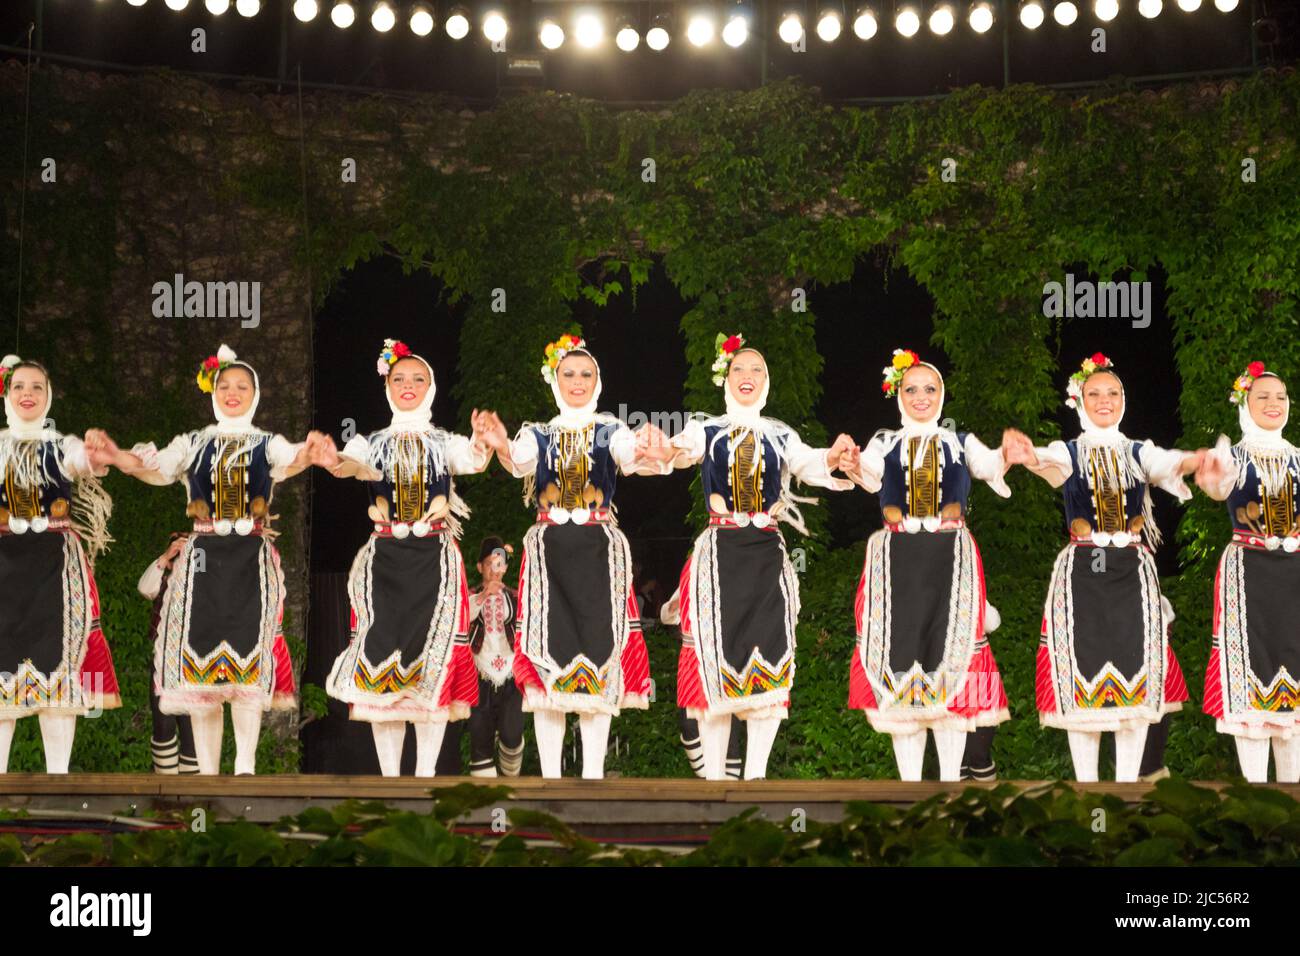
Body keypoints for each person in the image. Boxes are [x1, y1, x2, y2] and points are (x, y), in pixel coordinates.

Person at [105, 344, 318, 775]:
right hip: (202, 561)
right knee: (203, 676)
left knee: (246, 668)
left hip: (250, 561)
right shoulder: (194, 442)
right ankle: (206, 775)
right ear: (213, 392)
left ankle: (244, 769)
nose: (232, 392)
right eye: (225, 385)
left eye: (242, 386)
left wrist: (312, 453)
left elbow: (291, 458)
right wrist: (118, 457)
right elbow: (158, 467)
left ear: (255, 395)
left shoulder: (265, 443)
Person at [477, 333, 675, 779]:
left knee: (598, 657)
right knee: (549, 662)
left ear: (598, 381)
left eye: (586, 373)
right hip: (549, 557)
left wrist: (646, 446)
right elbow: (519, 459)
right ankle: (549, 779)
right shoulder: (538, 432)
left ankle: (592, 776)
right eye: (569, 373)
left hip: (598, 555)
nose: (578, 381)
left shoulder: (610, 430)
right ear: (555, 380)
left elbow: (629, 453)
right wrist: (500, 441)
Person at [665, 334, 856, 780]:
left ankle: (755, 781)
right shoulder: (705, 428)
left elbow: (809, 463)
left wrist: (833, 455)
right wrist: (665, 449)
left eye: (756, 371)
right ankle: (714, 782)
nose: (747, 377)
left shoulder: (779, 433)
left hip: (766, 557)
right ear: (725, 379)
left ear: (766, 382)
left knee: (769, 659)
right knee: (713, 662)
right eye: (739, 369)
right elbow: (682, 450)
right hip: (719, 555)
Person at [1002, 353, 1201, 782]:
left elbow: (1165, 464)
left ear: (1123, 401)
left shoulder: (1137, 451)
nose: (1105, 400)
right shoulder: (1068, 452)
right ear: (1079, 400)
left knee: (1135, 672)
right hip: (1083, 574)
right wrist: (1025, 454)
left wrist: (1191, 461)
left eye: (1113, 393)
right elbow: (1045, 461)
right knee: (1083, 673)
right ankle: (1087, 790)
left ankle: (1128, 790)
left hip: (1131, 571)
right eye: (1095, 393)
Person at [312, 340, 488, 777]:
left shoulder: (444, 441)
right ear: (387, 386)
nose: (408, 385)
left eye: (418, 379)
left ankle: (425, 778)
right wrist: (332, 460)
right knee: (384, 673)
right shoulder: (370, 442)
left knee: (431, 667)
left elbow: (473, 459)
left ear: (431, 387)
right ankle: (391, 782)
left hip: (435, 564)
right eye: (399, 379)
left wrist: (485, 442)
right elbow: (349, 465)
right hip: (386, 565)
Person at [840, 350, 1011, 781]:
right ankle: (910, 789)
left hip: (951, 559)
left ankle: (952, 784)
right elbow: (871, 472)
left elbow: (990, 465)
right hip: (899, 565)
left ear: (942, 394)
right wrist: (852, 461)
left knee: (952, 663)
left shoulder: (959, 441)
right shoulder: (886, 442)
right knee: (904, 664)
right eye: (911, 388)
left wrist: (1009, 453)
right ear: (898, 394)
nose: (921, 396)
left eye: (930, 388)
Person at [0, 354, 120, 773]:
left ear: (48, 396)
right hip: (3, 572)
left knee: (60, 672)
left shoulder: (61, 444)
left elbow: (84, 462)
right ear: (7, 394)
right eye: (19, 386)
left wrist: (94, 453)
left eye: (36, 386)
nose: (27, 393)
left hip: (54, 570)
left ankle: (58, 779)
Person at [1195, 362, 1300, 782]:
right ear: (1245, 404)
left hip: (1295, 576)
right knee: (1251, 675)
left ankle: (1293, 803)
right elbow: (1218, 486)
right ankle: (1254, 799)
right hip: (1249, 575)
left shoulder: (1298, 458)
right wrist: (1211, 479)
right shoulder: (1232, 456)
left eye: (1281, 397)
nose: (1274, 404)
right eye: (1263, 397)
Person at [137, 533, 199, 774]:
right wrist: (166, 556)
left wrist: (195, 557)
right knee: (162, 724)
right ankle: (165, 786)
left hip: (194, 665)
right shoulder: (163, 576)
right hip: (163, 664)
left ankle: (191, 793)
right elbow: (144, 588)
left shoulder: (201, 577)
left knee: (192, 728)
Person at [466, 536, 524, 777]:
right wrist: (482, 597)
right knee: (480, 743)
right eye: (490, 563)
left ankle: (509, 793)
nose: (495, 569)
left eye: (500, 564)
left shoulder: (515, 597)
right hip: (479, 676)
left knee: (512, 737)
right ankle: (485, 804)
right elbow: (461, 619)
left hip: (510, 675)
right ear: (480, 567)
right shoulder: (469, 596)